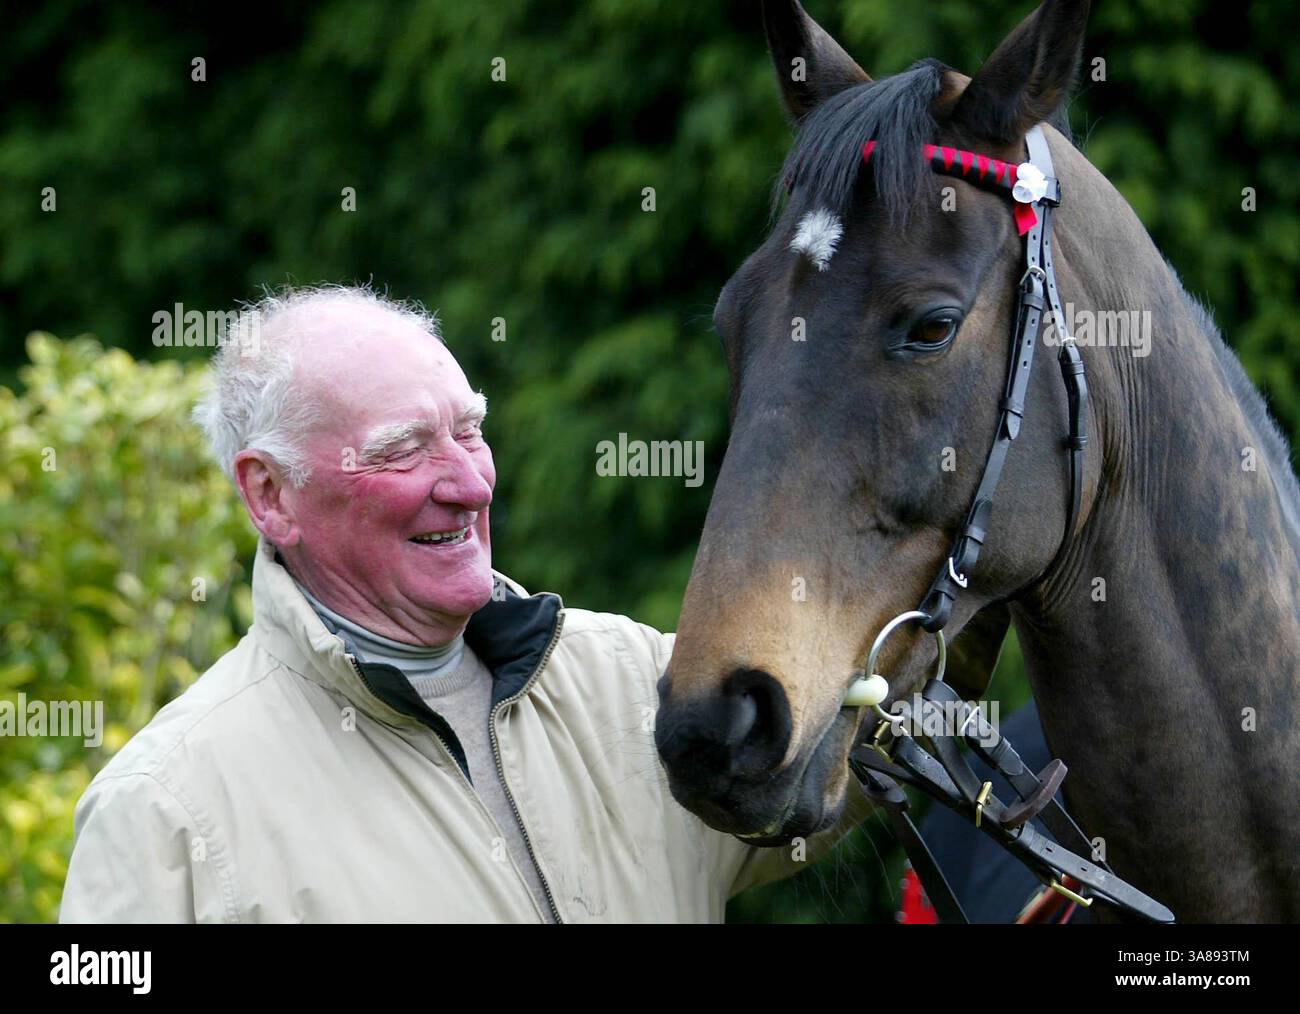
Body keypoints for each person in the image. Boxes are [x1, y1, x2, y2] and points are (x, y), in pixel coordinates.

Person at [59, 284, 870, 923]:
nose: (472, 482)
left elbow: (870, 745)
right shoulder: (165, 812)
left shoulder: (635, 678)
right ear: (270, 495)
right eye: (404, 449)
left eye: (470, 431)